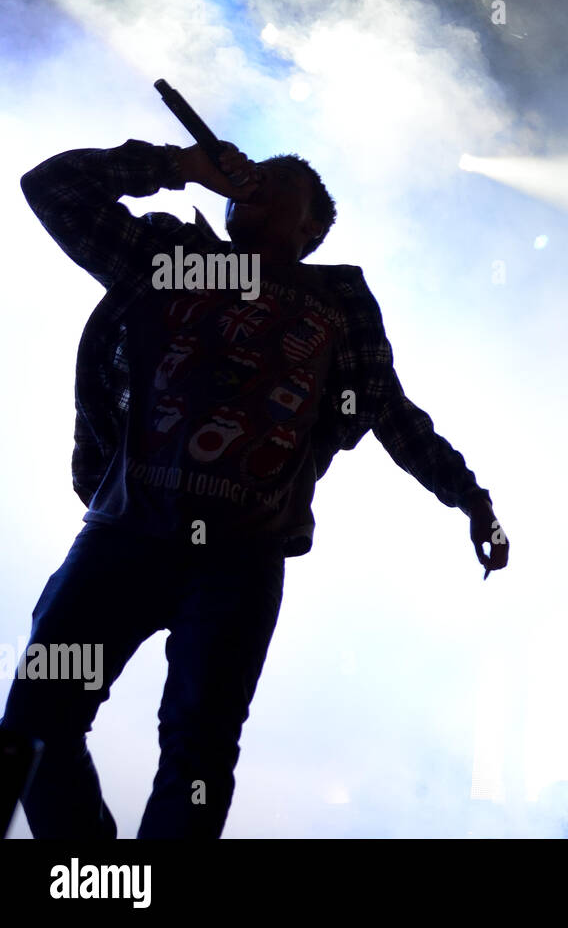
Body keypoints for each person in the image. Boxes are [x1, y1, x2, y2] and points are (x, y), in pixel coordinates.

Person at [2, 135, 508, 838]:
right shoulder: (170, 255)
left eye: (277, 183)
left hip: (238, 560)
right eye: (250, 177)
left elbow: (391, 411)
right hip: (127, 537)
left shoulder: (337, 298)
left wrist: (473, 500)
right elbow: (51, 188)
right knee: (36, 715)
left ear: (312, 228)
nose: (255, 184)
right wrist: (177, 166)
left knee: (198, 752)